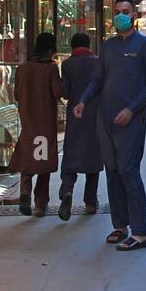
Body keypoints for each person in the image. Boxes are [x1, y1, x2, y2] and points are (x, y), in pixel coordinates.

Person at [76, 0, 146, 250]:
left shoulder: (145, 45)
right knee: (112, 172)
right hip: (106, 119)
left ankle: (141, 232)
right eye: (117, 13)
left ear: (134, 15)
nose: (121, 16)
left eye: (125, 12)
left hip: (130, 120)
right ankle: (120, 225)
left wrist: (131, 109)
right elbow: (97, 79)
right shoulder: (108, 46)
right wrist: (83, 101)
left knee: (128, 171)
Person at [9, 32, 62, 217]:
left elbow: (16, 94)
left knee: (28, 158)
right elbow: (57, 92)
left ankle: (24, 191)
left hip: (28, 120)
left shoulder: (22, 69)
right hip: (45, 121)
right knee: (43, 163)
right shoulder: (51, 69)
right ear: (50, 49)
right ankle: (40, 204)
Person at [58, 32, 102, 220]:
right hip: (94, 116)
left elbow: (66, 93)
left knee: (71, 154)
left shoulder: (67, 65)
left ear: (72, 46)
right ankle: (90, 202)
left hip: (75, 116)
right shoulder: (98, 62)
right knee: (93, 156)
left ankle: (67, 190)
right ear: (89, 45)